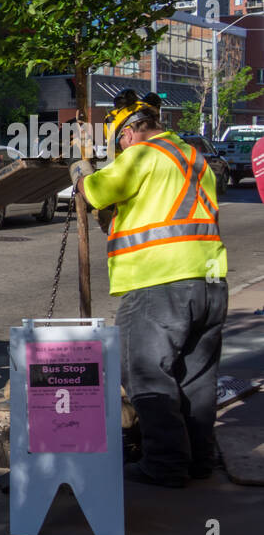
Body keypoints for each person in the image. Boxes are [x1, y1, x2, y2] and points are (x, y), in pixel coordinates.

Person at [70, 90, 227, 488]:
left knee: (146, 375)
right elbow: (163, 207)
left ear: (127, 135)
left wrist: (80, 172)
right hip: (209, 282)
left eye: (118, 143)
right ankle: (198, 460)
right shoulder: (194, 159)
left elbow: (95, 192)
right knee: (197, 379)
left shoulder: (141, 156)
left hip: (160, 282)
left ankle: (165, 464)